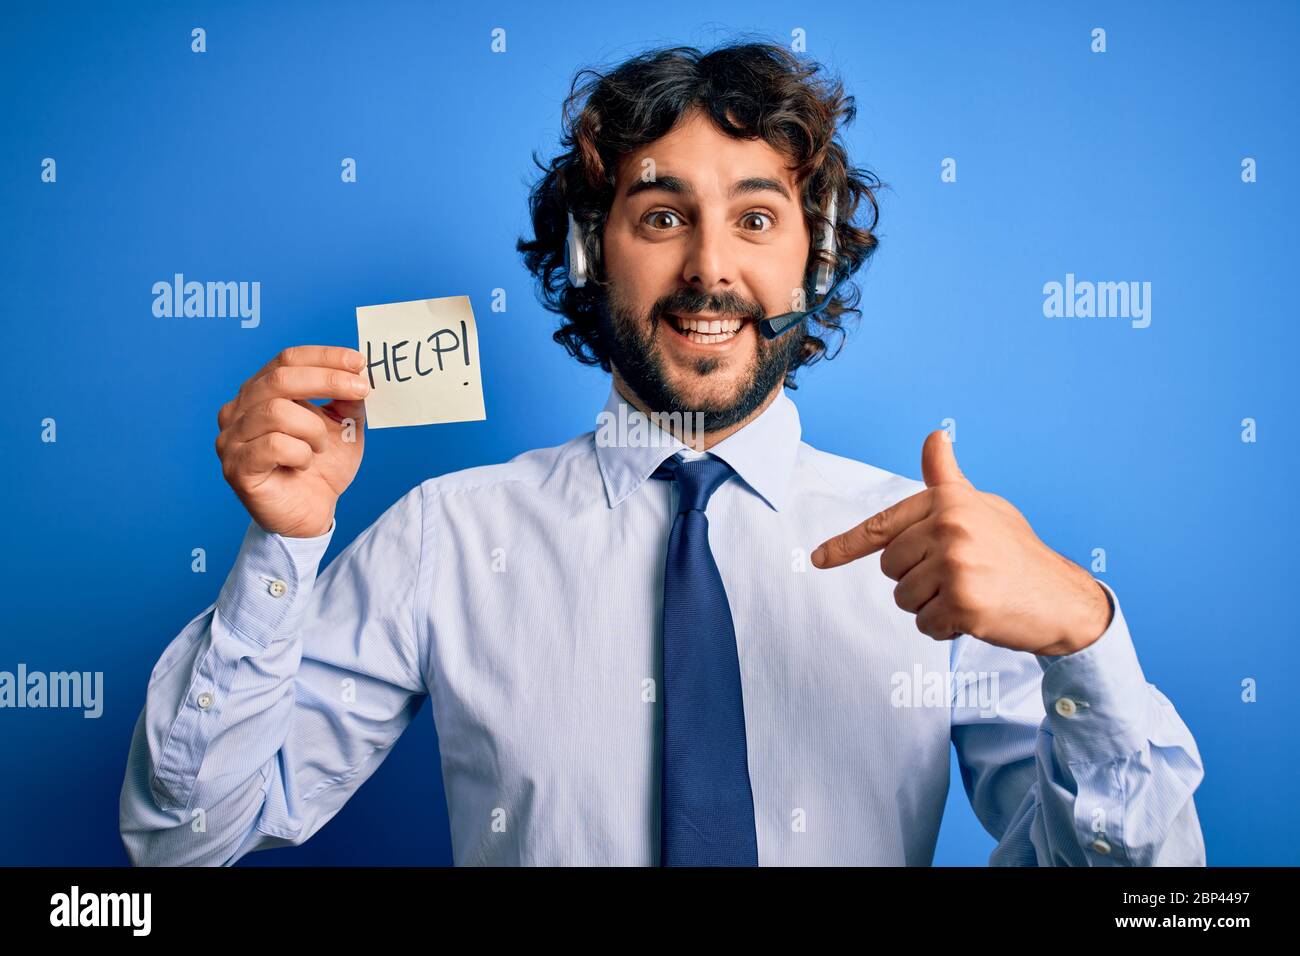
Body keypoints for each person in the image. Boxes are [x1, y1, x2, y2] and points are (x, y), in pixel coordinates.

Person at [119, 41, 1205, 866]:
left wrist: (1081, 631)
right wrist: (282, 547)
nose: (708, 268)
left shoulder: (935, 552)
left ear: (814, 257)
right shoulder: (447, 535)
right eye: (659, 217)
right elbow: (184, 841)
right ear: (592, 252)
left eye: (756, 218)